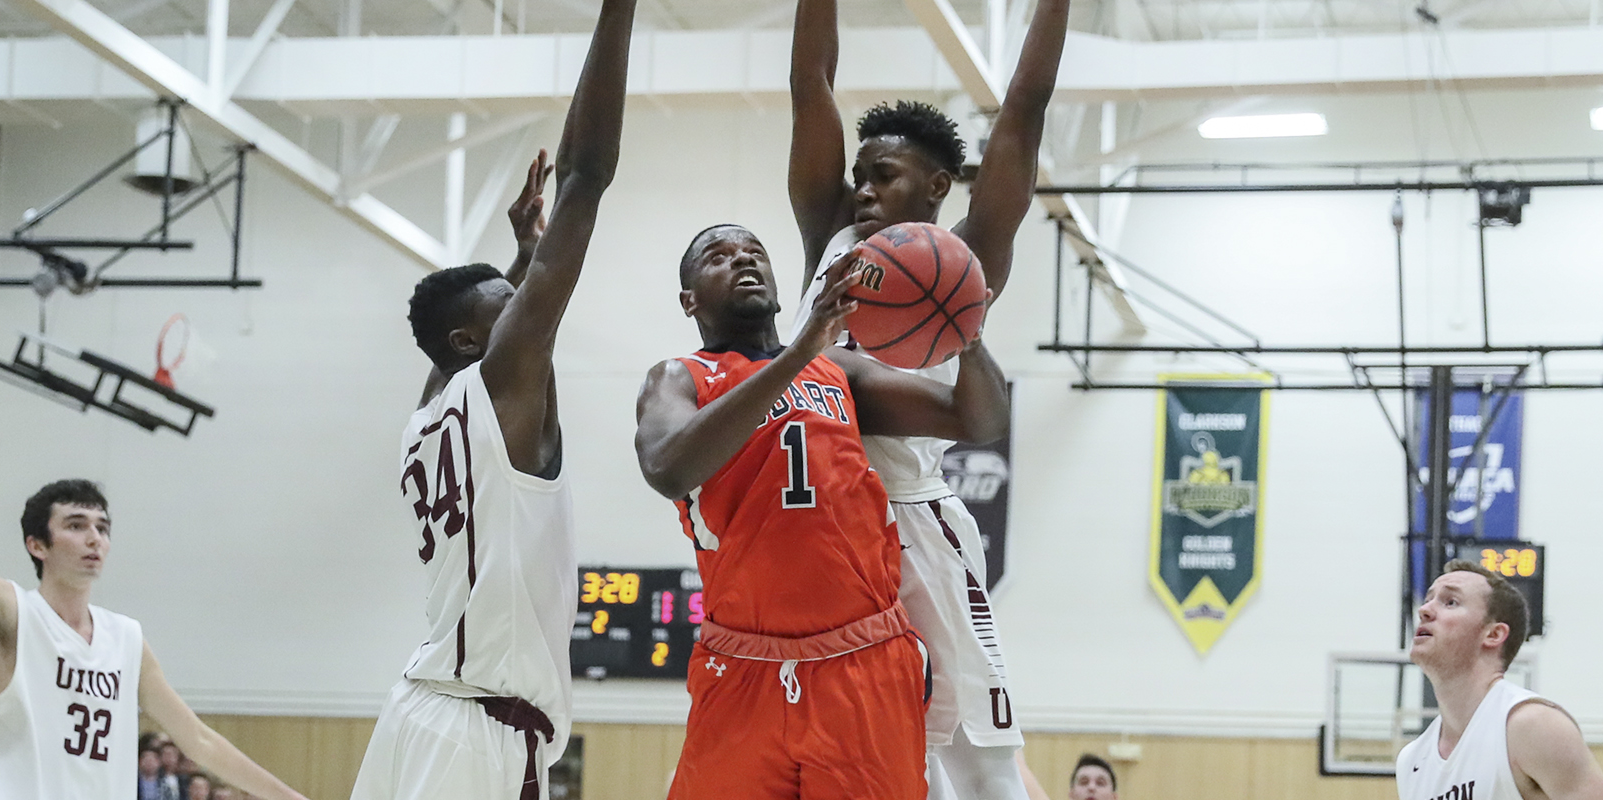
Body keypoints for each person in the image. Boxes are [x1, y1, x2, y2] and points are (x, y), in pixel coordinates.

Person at [349, 0, 635, 798]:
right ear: (477, 345)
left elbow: (452, 353)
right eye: (510, 304)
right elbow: (589, 174)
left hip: (415, 711)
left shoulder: (426, 416)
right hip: (479, 729)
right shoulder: (497, 384)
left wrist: (519, 253)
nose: (528, 312)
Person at [787, 0, 1068, 798]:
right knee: (858, 750)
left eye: (884, 176)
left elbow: (1024, 111)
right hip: (825, 525)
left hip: (914, 520)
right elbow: (812, 83)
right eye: (859, 176)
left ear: (938, 185)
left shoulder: (968, 261)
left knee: (974, 758)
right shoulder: (832, 239)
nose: (863, 191)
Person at [636, 228, 1010, 800]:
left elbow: (976, 421)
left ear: (782, 290)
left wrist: (969, 332)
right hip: (742, 668)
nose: (742, 260)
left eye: (754, 252)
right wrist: (797, 353)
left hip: (863, 663)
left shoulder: (839, 370)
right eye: (719, 257)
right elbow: (667, 467)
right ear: (690, 299)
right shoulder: (679, 377)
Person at [0, 365, 310, 800]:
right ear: (38, 545)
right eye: (76, 525)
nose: (94, 537)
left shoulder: (126, 639)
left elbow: (199, 741)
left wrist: (287, 795)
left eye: (102, 527)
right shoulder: (10, 612)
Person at [1395, 560, 1603, 800]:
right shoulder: (1412, 760)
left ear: (1493, 634)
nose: (1424, 610)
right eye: (1428, 599)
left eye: (1450, 602)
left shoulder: (1531, 726)